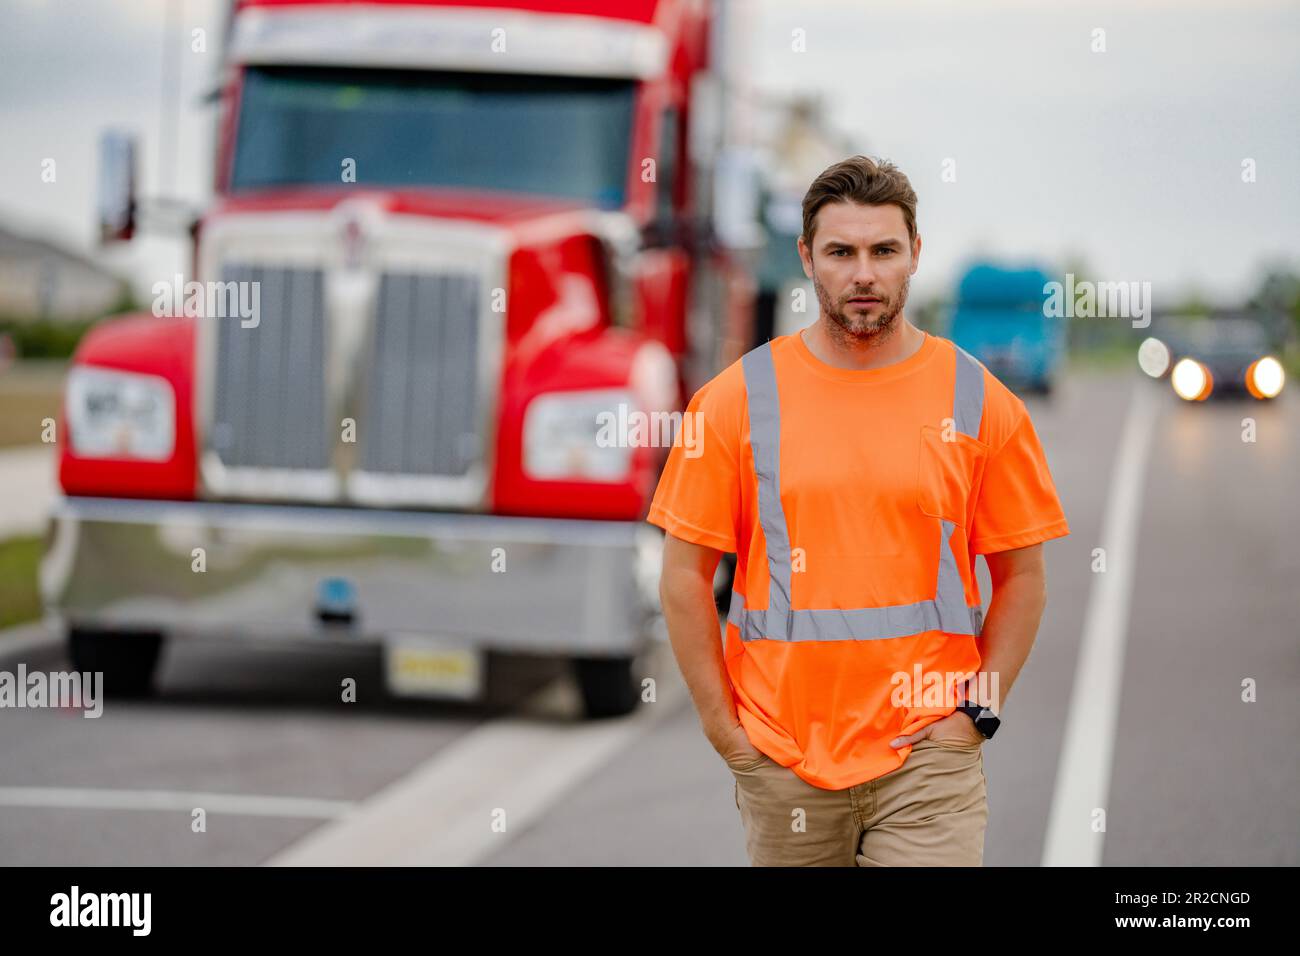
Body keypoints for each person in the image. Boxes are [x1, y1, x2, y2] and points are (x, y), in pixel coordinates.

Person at [647, 155, 1070, 866]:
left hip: (930, 762)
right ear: (808, 258)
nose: (863, 274)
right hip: (785, 763)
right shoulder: (734, 401)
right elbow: (684, 578)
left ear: (915, 257)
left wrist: (977, 714)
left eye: (884, 251)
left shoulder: (980, 401)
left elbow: (1022, 578)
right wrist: (730, 737)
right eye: (841, 252)